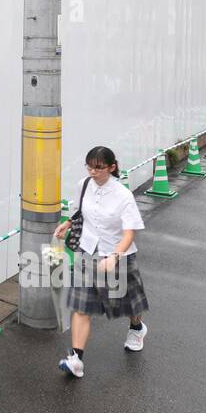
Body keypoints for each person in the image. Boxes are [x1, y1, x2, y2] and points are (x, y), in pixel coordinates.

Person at [54, 146, 149, 378]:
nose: (93, 172)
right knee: (81, 306)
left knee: (128, 304)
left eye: (98, 168)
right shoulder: (84, 184)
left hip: (118, 255)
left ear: (112, 167)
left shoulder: (122, 195)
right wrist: (66, 224)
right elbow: (77, 211)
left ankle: (137, 327)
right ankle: (76, 358)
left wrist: (115, 256)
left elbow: (129, 233)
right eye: (89, 166)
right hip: (87, 251)